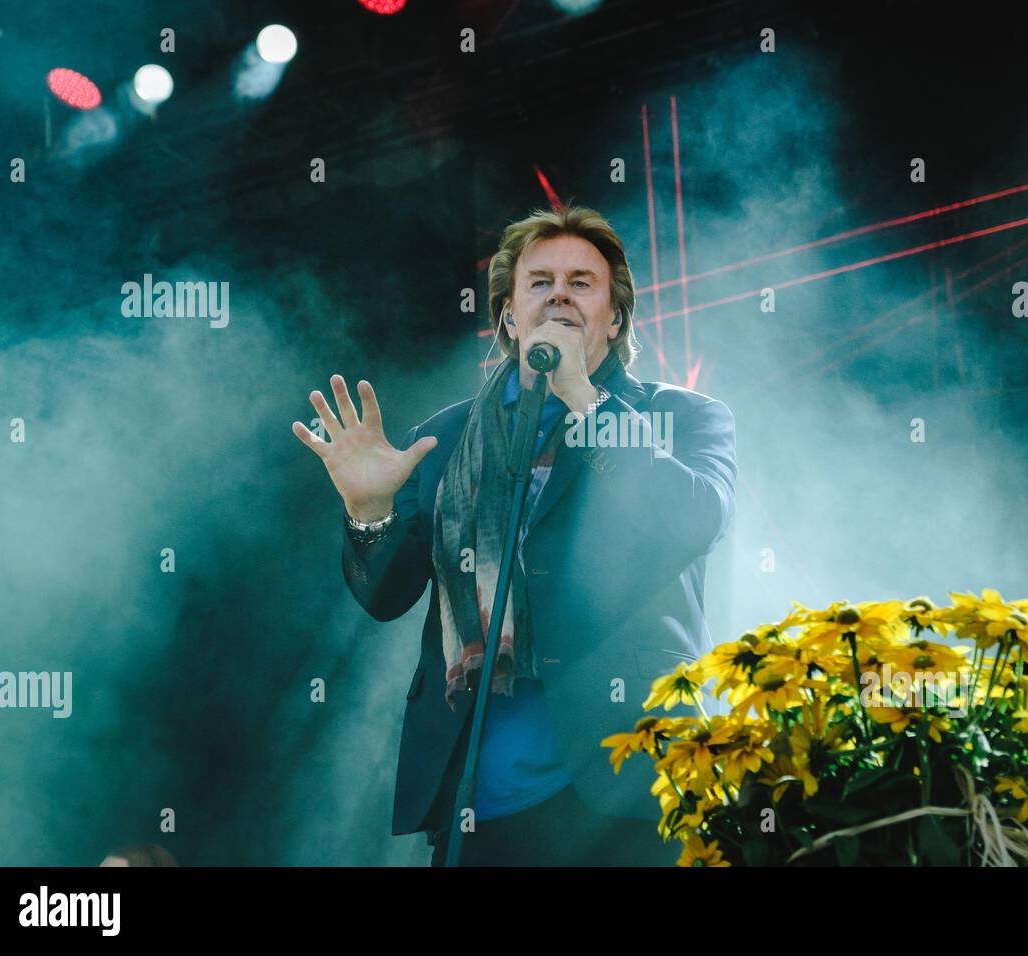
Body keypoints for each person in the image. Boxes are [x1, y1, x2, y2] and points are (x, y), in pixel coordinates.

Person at [293, 204, 737, 865]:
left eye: (582, 282)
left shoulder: (681, 416)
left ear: (615, 318)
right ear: (508, 316)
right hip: (479, 796)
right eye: (540, 282)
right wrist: (369, 510)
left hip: (628, 785)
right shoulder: (445, 439)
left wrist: (587, 402)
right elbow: (387, 595)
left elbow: (691, 519)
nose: (559, 294)